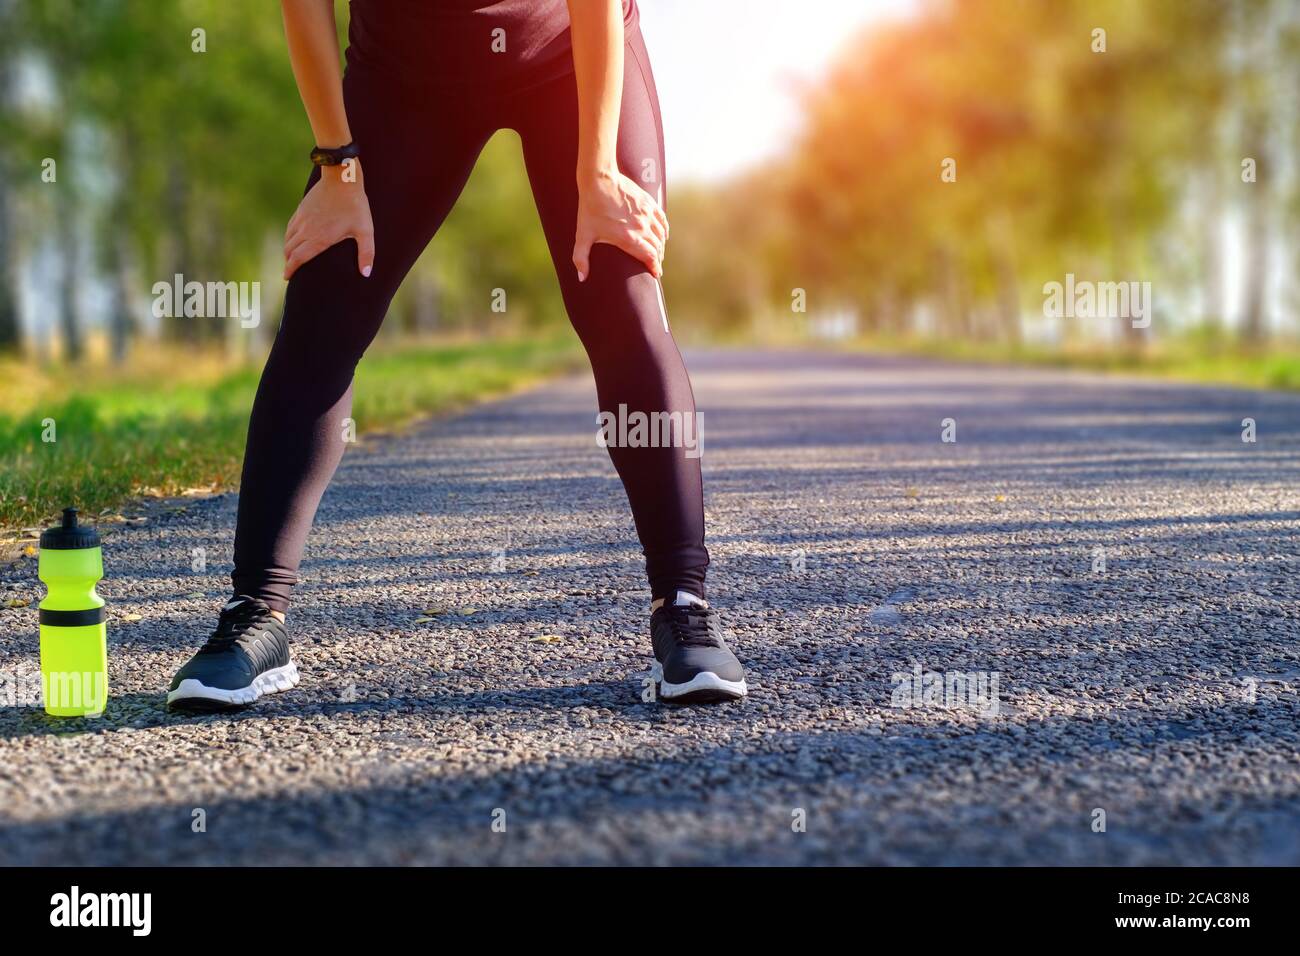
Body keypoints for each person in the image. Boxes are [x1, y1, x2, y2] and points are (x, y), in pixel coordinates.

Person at [167, 0, 747, 711]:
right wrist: (338, 171)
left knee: (618, 293)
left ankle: (683, 603)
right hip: (405, 72)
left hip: (567, 53)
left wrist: (596, 174)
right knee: (326, 300)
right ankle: (256, 615)